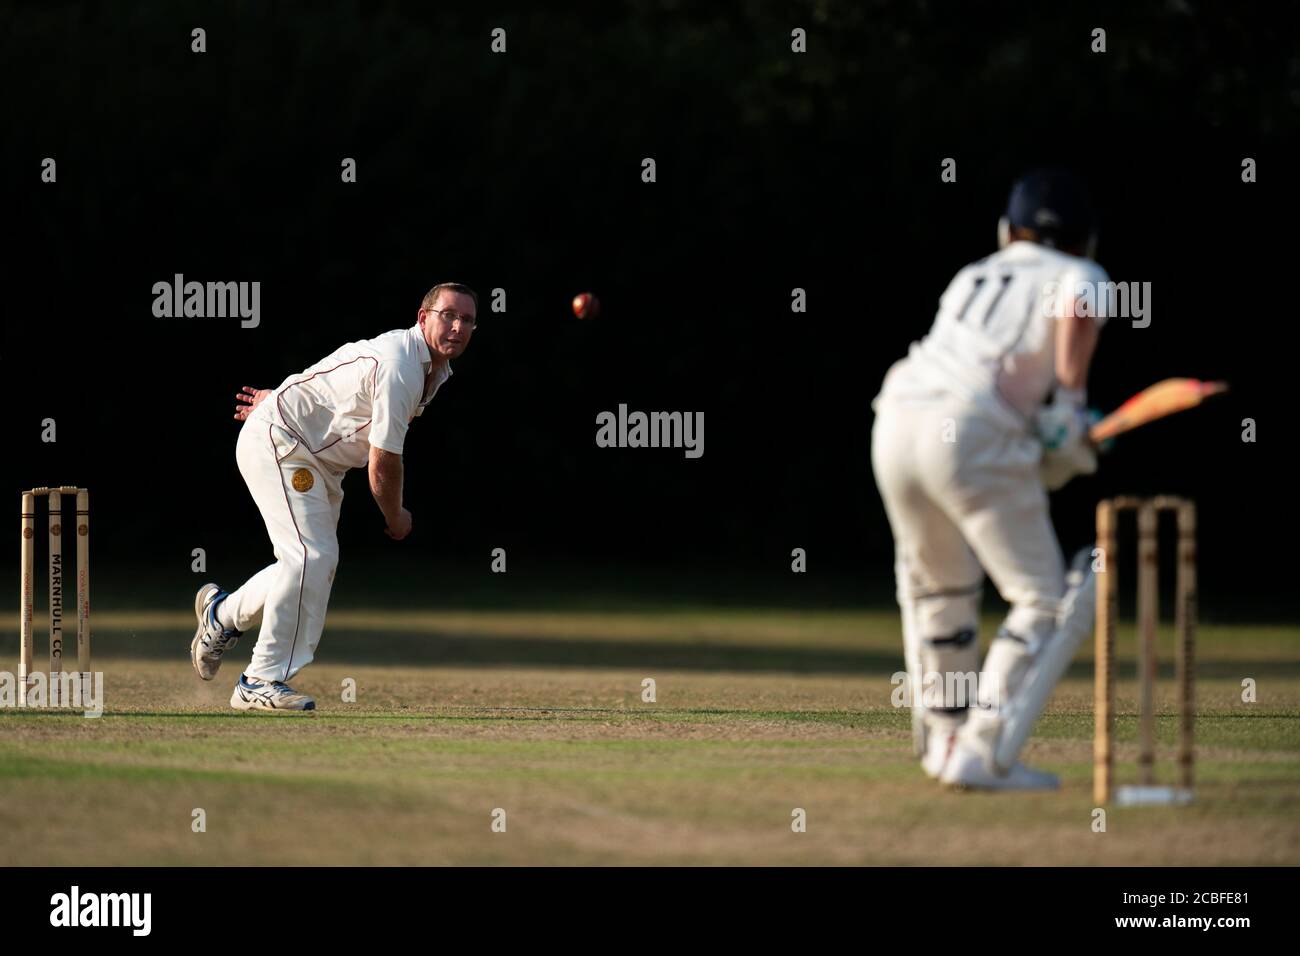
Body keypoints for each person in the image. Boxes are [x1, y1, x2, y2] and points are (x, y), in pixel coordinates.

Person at [870, 171, 1108, 788]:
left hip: (896, 419)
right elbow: (1080, 303)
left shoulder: (974, 273)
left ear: (1010, 229)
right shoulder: (1080, 272)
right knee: (1045, 600)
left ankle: (943, 742)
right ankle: (978, 750)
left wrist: (1047, 434)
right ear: (1084, 238)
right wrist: (1071, 410)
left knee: (938, 590)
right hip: (970, 428)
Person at [190, 282, 478, 711]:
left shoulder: (433, 370)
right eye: (448, 315)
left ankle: (222, 615)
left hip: (316, 458)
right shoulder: (403, 363)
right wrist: (395, 514)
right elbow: (384, 460)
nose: (457, 326)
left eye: (468, 320)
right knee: (311, 557)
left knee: (308, 563)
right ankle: (259, 680)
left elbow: (339, 376)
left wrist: (284, 396)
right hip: (284, 442)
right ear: (423, 318)